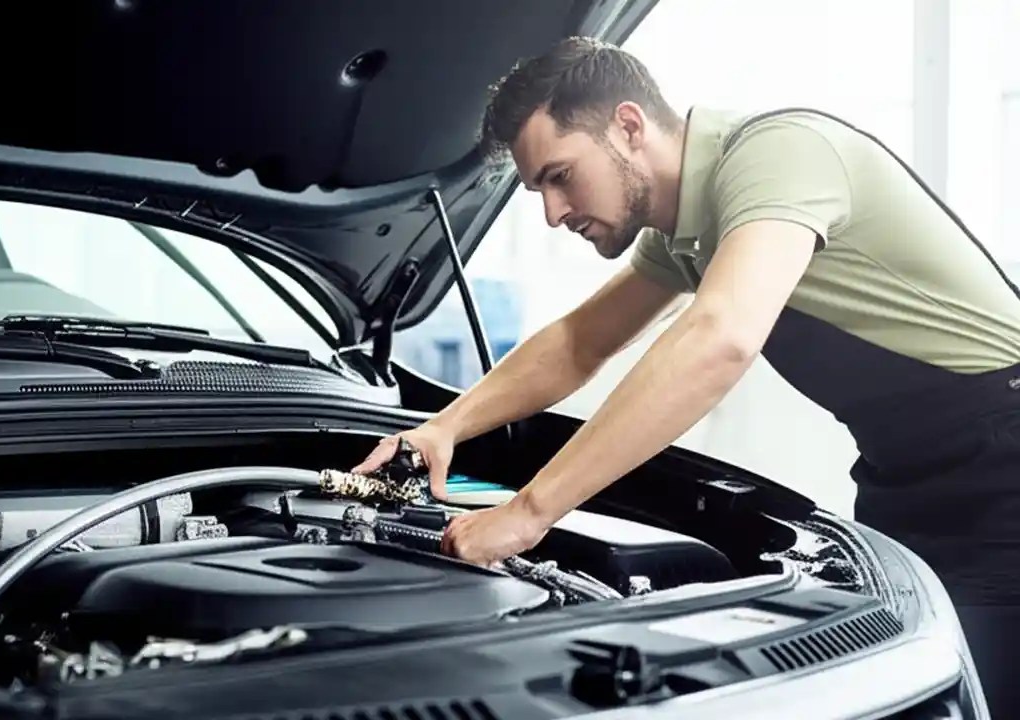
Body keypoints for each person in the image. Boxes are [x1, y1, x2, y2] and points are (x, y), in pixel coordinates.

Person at [351, 36, 1020, 713]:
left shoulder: (778, 156)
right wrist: (442, 429)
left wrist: (529, 513)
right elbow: (580, 342)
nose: (552, 214)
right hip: (906, 477)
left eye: (560, 176)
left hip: (1004, 464)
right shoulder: (682, 234)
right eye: (537, 191)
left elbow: (719, 338)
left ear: (628, 126)